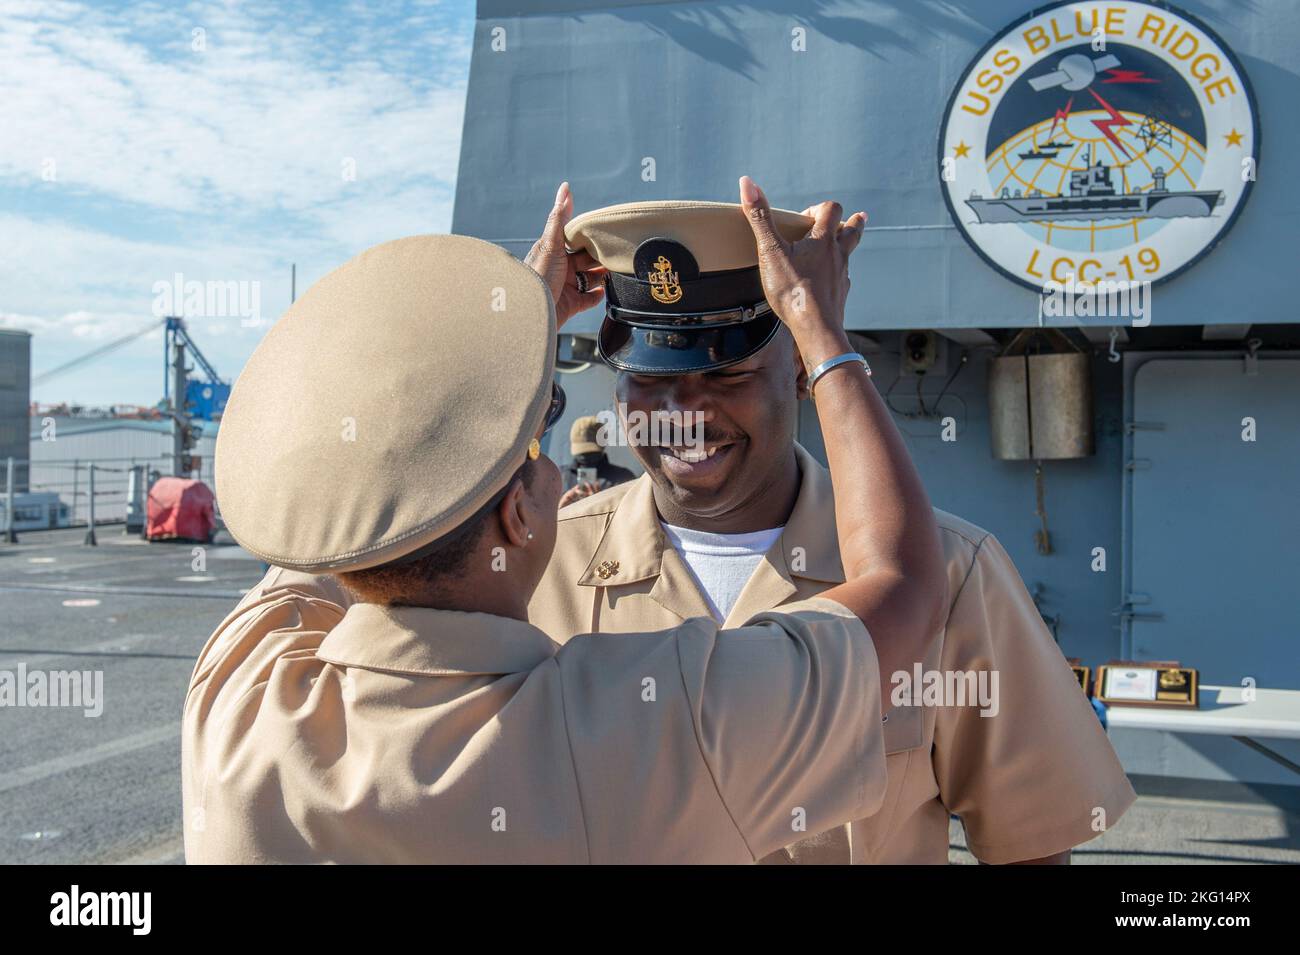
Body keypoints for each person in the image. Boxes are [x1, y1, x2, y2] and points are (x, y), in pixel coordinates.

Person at [180, 180, 950, 863]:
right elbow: (905, 585)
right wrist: (819, 335)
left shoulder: (239, 702)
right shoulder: (651, 728)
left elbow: (335, 523)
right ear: (519, 516)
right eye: (536, 445)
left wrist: (504, 336)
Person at [527, 179, 1137, 865]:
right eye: (648, 377)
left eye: (727, 375)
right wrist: (517, 327)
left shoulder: (956, 570)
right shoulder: (539, 564)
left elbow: (1031, 844)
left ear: (796, 369)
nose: (679, 410)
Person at [558, 415, 636, 506]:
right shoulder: (557, 477)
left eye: (590, 452)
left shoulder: (623, 479)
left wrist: (599, 506)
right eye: (582, 452)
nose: (585, 457)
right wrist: (561, 507)